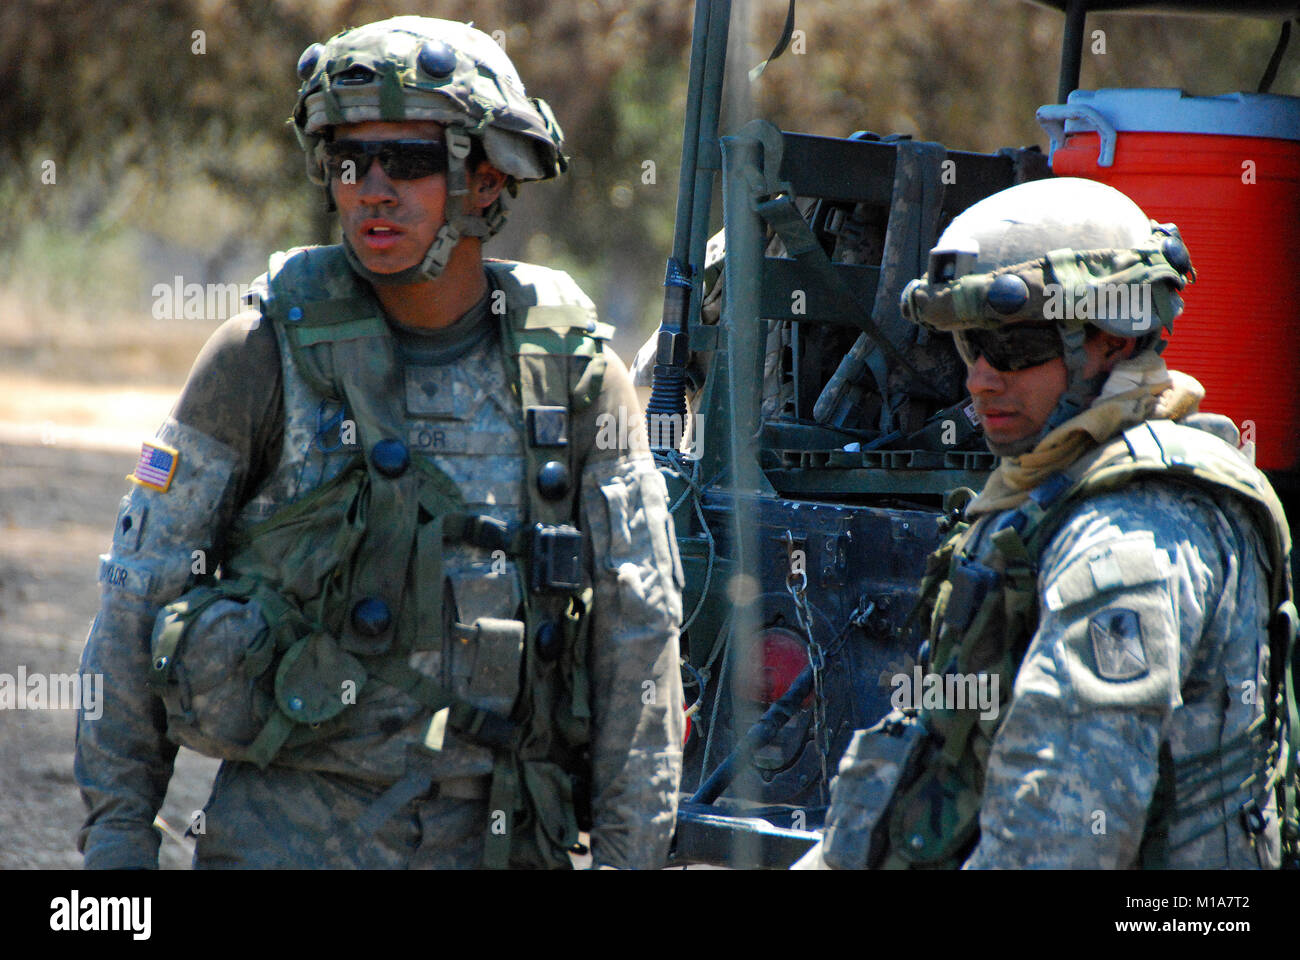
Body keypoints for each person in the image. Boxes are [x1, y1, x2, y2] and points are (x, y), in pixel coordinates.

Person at [74, 16, 685, 870]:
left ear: (485, 178)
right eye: (350, 163)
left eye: (409, 160)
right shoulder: (259, 355)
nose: (372, 189)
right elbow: (135, 601)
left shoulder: (574, 375)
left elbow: (639, 642)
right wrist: (115, 852)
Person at [794, 176, 1295, 869]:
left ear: (1111, 342)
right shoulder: (1043, 497)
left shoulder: (1134, 533)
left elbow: (1058, 839)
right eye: (972, 346)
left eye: (1017, 348)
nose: (980, 379)